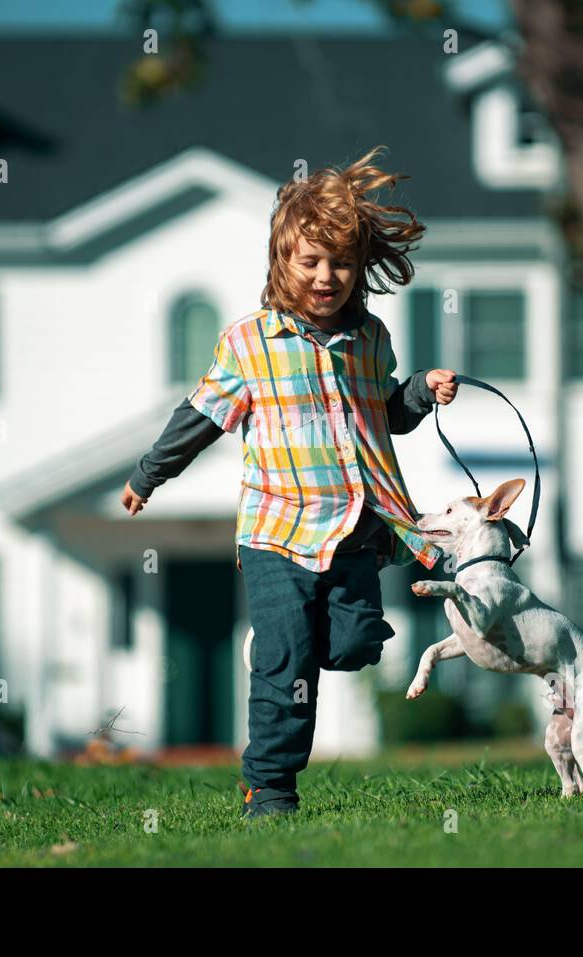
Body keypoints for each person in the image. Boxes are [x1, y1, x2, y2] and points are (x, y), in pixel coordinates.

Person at [121, 145, 457, 817]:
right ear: (282, 261)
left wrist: (420, 391)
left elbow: (383, 414)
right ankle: (270, 786)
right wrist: (149, 474)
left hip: (358, 529)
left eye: (340, 263)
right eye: (311, 262)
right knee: (286, 656)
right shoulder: (250, 342)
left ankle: (303, 648)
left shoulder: (372, 339)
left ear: (359, 268)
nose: (326, 276)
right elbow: (202, 415)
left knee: (358, 644)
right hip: (277, 532)